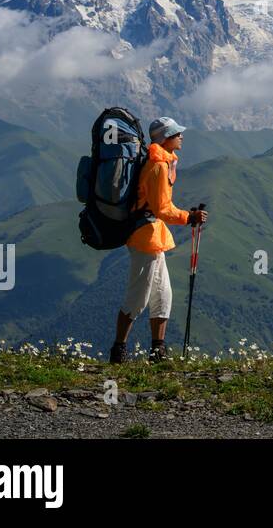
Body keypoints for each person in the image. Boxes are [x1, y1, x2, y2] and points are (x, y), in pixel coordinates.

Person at [108, 117, 207, 364]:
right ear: (165, 139)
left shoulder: (162, 162)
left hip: (154, 235)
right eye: (177, 133)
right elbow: (162, 208)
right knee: (138, 298)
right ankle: (118, 351)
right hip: (145, 237)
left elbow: (161, 207)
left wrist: (187, 215)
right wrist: (189, 217)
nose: (181, 136)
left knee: (163, 295)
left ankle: (158, 351)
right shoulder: (157, 166)